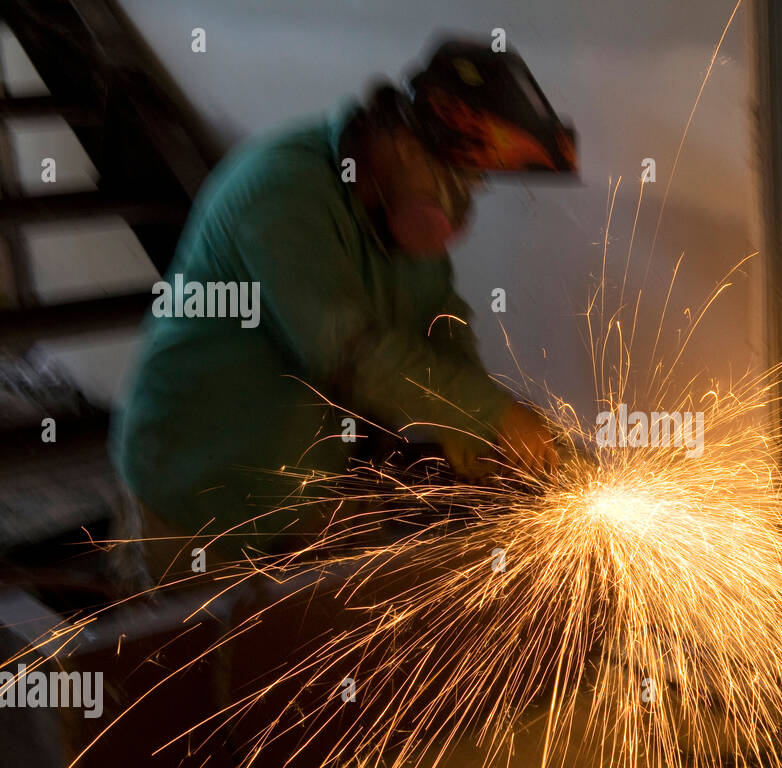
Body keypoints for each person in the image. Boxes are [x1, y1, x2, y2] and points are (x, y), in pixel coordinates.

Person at [110, 39, 576, 578]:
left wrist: (482, 431)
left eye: (475, 184)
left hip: (306, 484)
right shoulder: (283, 191)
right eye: (458, 179)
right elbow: (351, 354)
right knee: (187, 657)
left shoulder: (393, 204)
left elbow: (440, 324)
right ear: (404, 143)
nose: (463, 201)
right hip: (196, 491)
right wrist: (491, 413)